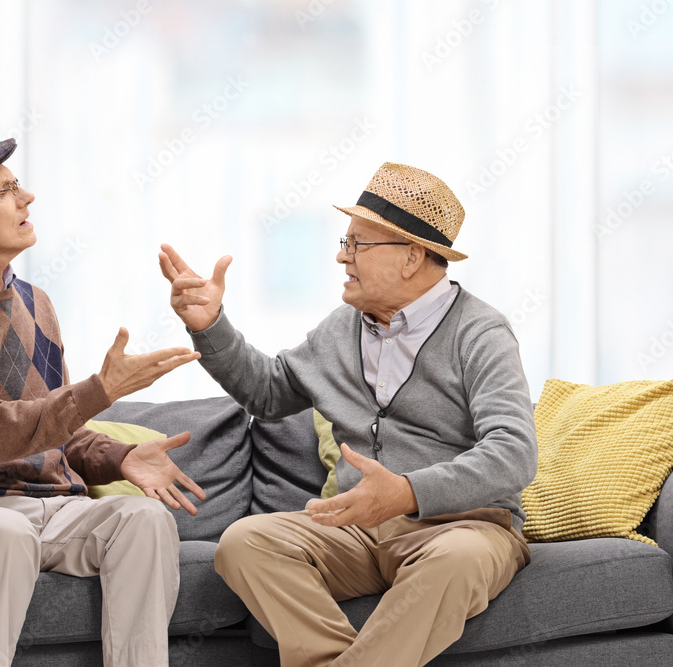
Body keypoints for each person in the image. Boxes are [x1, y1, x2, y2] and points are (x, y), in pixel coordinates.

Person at [159, 162, 537, 667]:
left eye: (358, 244)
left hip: (461, 529)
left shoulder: (481, 333)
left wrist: (406, 493)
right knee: (245, 541)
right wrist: (211, 326)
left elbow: (513, 453)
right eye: (345, 240)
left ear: (412, 256)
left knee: (458, 560)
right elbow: (269, 394)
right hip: (355, 533)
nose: (342, 256)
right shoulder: (342, 329)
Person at [0, 138, 205, 667]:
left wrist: (119, 457)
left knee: (144, 521)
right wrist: (102, 389)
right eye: (7, 190)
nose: (27, 197)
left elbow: (55, 426)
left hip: (51, 508)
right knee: (5, 533)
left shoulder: (36, 303)